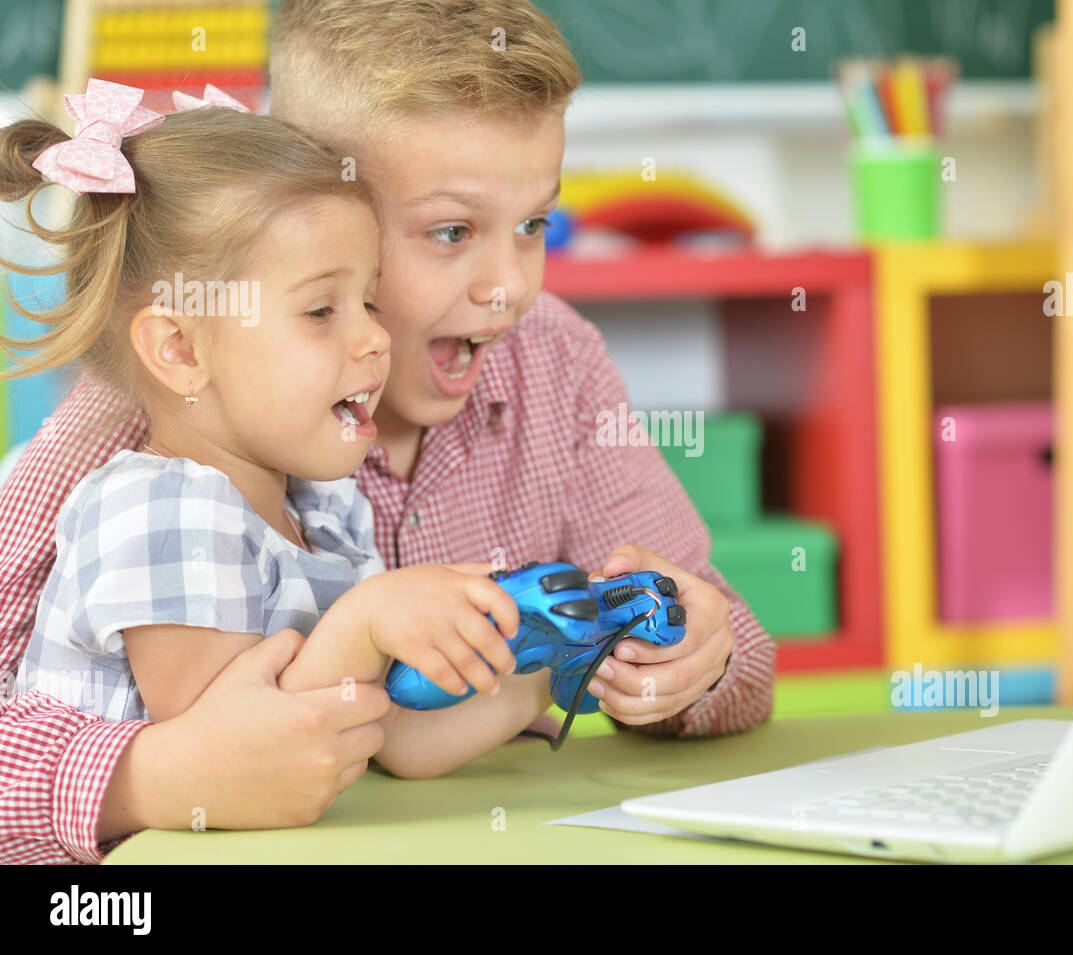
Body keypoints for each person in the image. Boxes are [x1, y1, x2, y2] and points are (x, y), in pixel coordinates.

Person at [0, 0, 776, 865]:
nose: (507, 289)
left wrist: (684, 659)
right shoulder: (141, 425)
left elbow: (738, 651)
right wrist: (147, 778)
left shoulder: (551, 365)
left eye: (533, 226)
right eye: (451, 231)